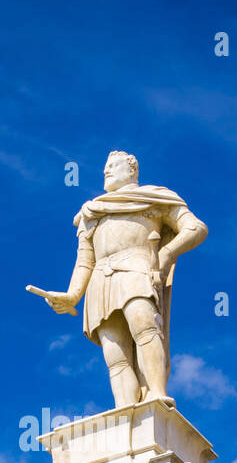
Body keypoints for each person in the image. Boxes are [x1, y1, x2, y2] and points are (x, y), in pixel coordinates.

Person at [27, 150, 208, 407]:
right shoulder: (91, 212)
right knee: (115, 355)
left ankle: (157, 395)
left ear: (132, 169)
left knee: (144, 325)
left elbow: (195, 228)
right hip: (100, 279)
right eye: (104, 168)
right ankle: (125, 409)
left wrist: (167, 252)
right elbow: (85, 260)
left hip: (136, 266)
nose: (107, 171)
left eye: (113, 166)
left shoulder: (154, 198)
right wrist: (72, 296)